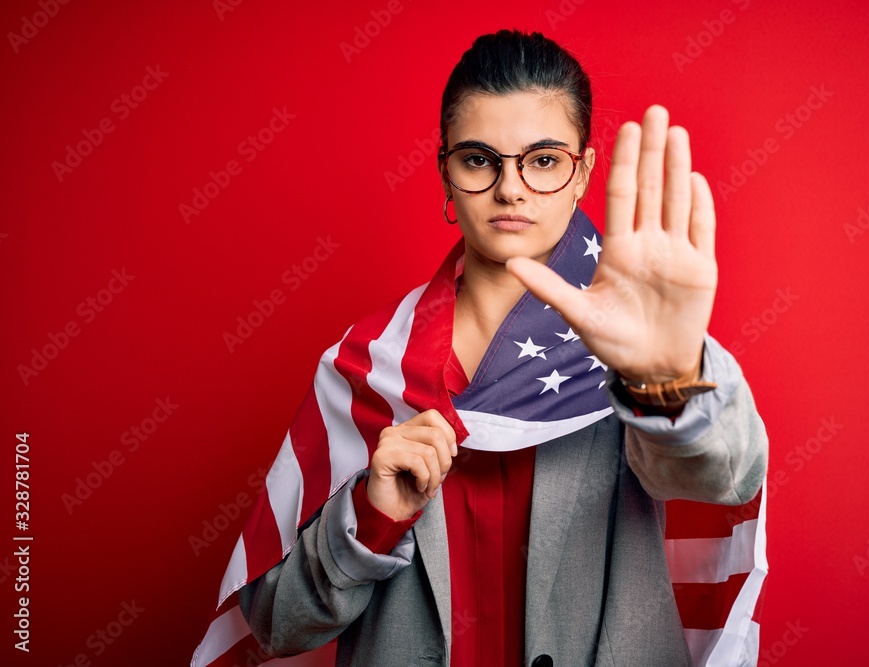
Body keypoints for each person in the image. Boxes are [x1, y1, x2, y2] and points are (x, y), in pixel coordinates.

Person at [192, 28, 768, 667]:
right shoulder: (365, 364)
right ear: (446, 172)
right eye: (479, 159)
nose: (512, 188)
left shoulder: (636, 341)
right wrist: (371, 516)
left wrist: (669, 380)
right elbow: (273, 623)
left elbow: (727, 475)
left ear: (583, 173)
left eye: (544, 160)